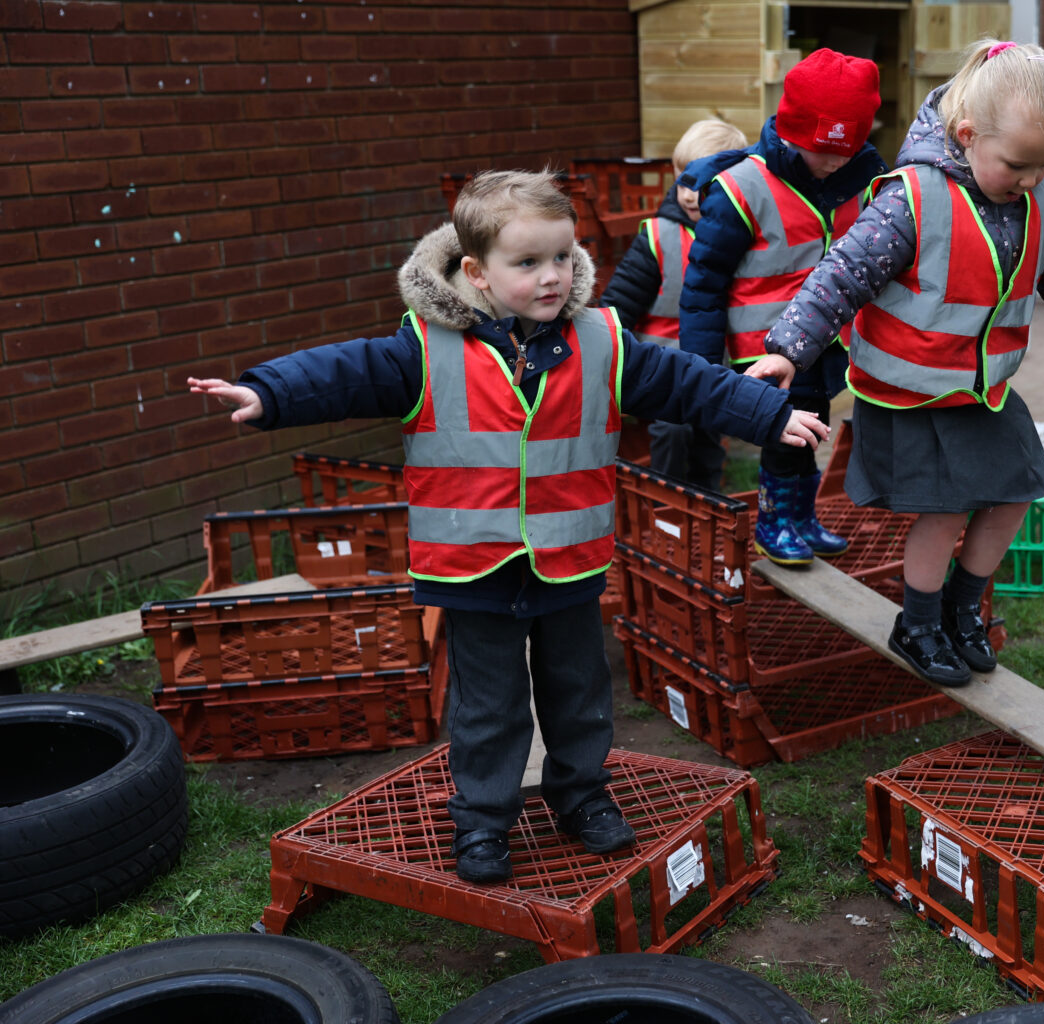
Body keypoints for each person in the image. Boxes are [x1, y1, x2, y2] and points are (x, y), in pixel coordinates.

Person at [187, 170, 828, 885]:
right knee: (487, 709)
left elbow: (690, 384)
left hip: (569, 564)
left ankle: (582, 799)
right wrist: (266, 392)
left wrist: (770, 415)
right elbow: (341, 373)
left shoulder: (604, 338)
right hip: (476, 572)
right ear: (476, 274)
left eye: (562, 256)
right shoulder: (422, 349)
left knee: (579, 696)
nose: (553, 276)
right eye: (527, 263)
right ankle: (485, 823)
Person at [747, 39, 1044, 686]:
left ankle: (960, 608)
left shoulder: (1042, 194)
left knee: (1017, 492)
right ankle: (916, 624)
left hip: (985, 391)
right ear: (968, 135)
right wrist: (788, 349)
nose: (1031, 178)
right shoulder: (910, 197)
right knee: (944, 509)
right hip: (910, 390)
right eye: (1018, 164)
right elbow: (842, 275)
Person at [677, 48, 888, 565]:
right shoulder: (741, 189)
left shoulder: (865, 185)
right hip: (763, 347)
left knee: (811, 428)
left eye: (847, 148)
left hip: (827, 342)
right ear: (792, 133)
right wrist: (703, 367)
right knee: (781, 434)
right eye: (822, 150)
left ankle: (801, 517)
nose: (835, 161)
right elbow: (703, 285)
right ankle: (775, 522)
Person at [600, 118, 749, 490]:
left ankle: (706, 503)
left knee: (710, 432)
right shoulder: (657, 236)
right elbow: (620, 303)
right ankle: (665, 503)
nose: (687, 193)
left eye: (700, 183)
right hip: (660, 363)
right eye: (682, 179)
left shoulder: (744, 237)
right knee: (674, 428)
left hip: (716, 363)